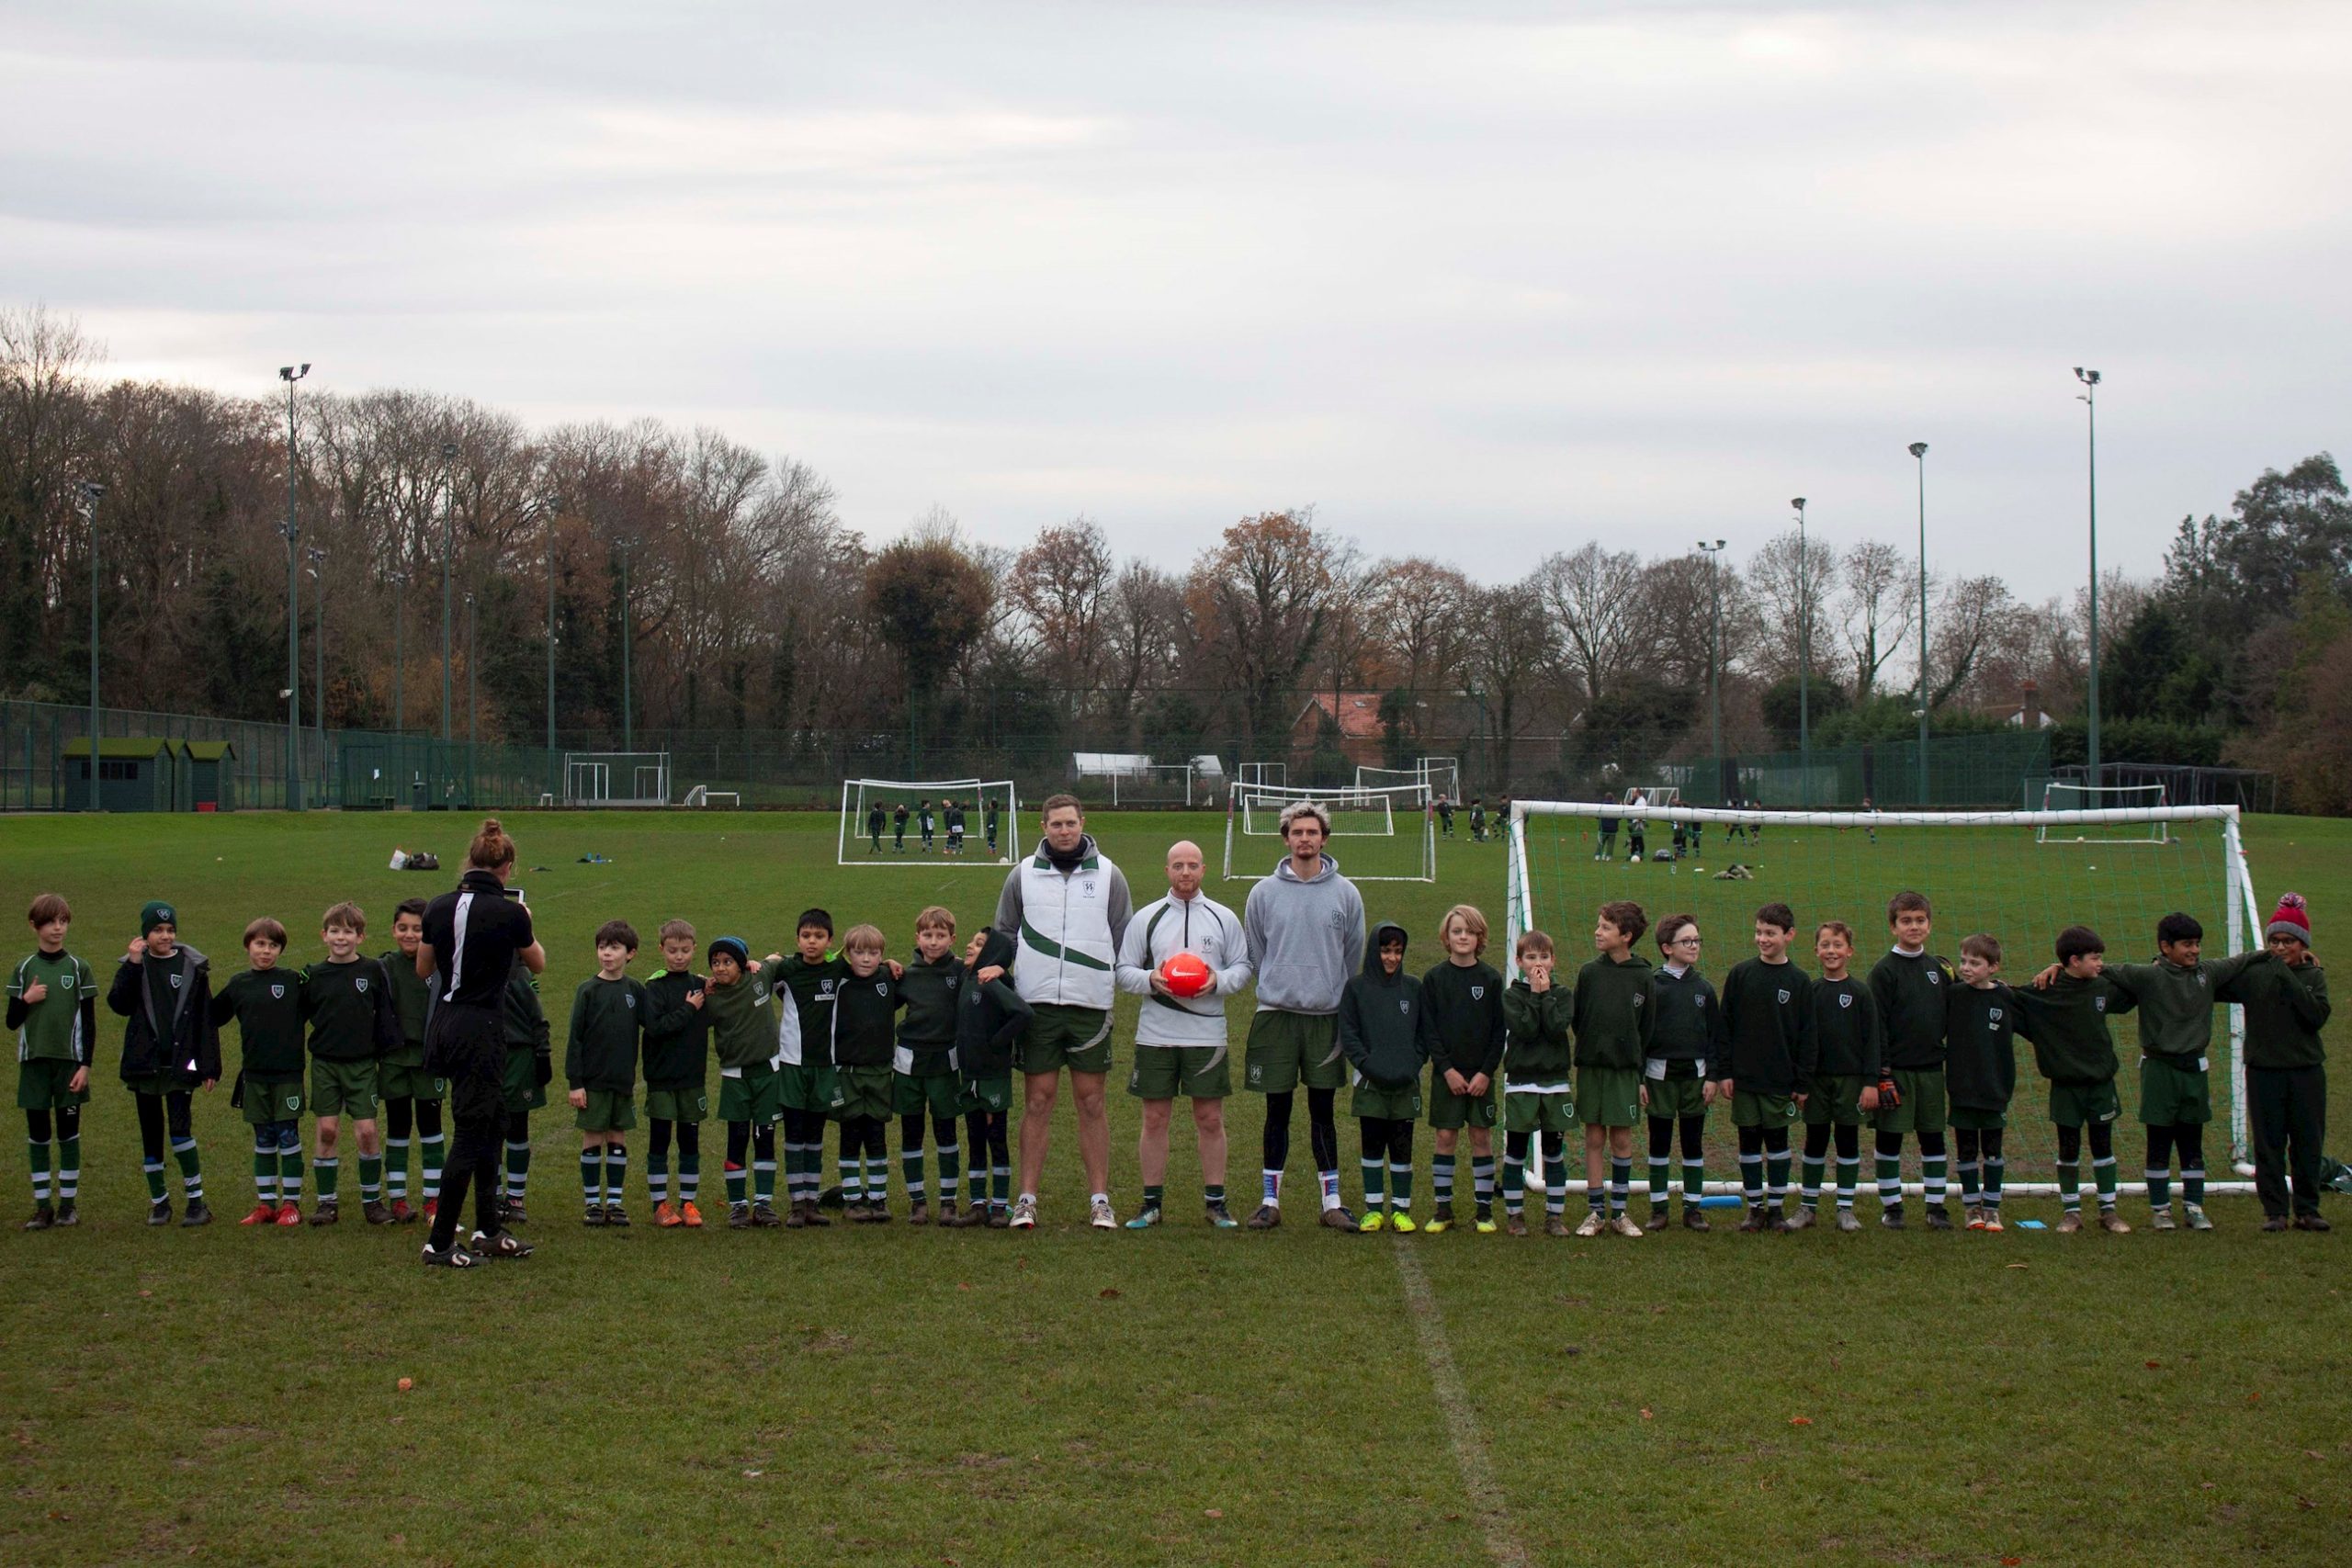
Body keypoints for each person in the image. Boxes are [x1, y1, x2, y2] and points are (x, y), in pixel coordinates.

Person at [989, 794, 1134, 1230]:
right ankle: (1027, 1199)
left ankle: (1100, 1200)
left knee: (1091, 1102)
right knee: (1038, 1101)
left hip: (1090, 1005)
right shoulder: (1022, 875)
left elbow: (1124, 935)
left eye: (1071, 823)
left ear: (1082, 823)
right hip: (1037, 1007)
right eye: (1056, 824)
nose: (1064, 831)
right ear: (1043, 826)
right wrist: (1002, 969)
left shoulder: (1109, 874)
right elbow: (1004, 932)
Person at [418, 818, 545, 1267]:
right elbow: (539, 962)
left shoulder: (437, 906)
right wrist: (523, 923)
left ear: (470, 860)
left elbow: (423, 969)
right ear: (508, 867)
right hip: (482, 1029)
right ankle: (439, 1243)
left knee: (493, 1122)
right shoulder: (511, 913)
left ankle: (488, 1229)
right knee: (472, 1133)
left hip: (446, 1023)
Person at [2091, 912, 2268, 1231]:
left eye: (2198, 944)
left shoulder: (2208, 973)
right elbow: (2099, 969)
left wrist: (2275, 952)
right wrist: (2057, 968)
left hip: (2195, 1070)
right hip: (2159, 1069)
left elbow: (2241, 961)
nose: (2195, 950)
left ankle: (2194, 1207)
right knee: (2158, 1142)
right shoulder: (2146, 976)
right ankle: (2160, 1210)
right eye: (2187, 944)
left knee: (2192, 1142)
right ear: (2165, 946)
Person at [1241, 800, 1365, 1231]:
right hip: (1277, 1015)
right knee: (1276, 1110)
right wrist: (1277, 981)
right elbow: (1255, 950)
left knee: (1322, 1111)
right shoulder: (1263, 892)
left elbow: (1353, 956)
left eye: (1313, 832)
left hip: (1325, 1019)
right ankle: (1269, 1202)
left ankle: (1331, 1201)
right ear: (1286, 838)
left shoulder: (1346, 893)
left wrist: (1330, 992)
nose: (1305, 839)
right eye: (1297, 833)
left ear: (1324, 838)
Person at [1115, 840, 1251, 1229]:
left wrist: (1218, 981)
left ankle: (1216, 1203)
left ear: (1204, 870)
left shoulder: (1224, 917)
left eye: (1193, 865)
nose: (1186, 872)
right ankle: (1151, 1205)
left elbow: (1242, 967)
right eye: (1178, 865)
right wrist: (1150, 979)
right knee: (1155, 1118)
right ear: (1167, 871)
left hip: (1207, 1033)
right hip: (1156, 1034)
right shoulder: (1147, 918)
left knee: (1209, 1118)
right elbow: (1123, 970)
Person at [2007, 926, 2135, 1234]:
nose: (2100, 963)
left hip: (2101, 1083)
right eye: (2095, 958)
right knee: (2068, 1147)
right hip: (2065, 1085)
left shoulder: (2102, 986)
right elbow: (2007, 994)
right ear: (2074, 960)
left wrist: (2058, 964)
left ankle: (2108, 1211)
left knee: (2102, 1144)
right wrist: (2053, 970)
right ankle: (2071, 1213)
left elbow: (2135, 987)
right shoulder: (2045, 990)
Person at [2221, 893, 2330, 1230]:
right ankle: (2275, 1212)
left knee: (2307, 1142)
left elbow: (2315, 1016)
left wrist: (2287, 976)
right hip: (2264, 1070)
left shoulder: (2313, 976)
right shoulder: (2255, 974)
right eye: (2275, 941)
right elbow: (2213, 981)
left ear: (2303, 944)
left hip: (2306, 1071)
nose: (2281, 947)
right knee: (2268, 1145)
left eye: (2289, 941)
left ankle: (2308, 1209)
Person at [108, 899, 219, 1227]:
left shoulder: (191, 968)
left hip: (182, 1065)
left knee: (181, 1129)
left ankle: (196, 1202)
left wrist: (210, 1065)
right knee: (151, 1132)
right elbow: (119, 1004)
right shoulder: (136, 966)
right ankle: (159, 1203)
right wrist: (131, 964)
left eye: (170, 930)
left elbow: (205, 1020)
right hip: (145, 1065)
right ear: (144, 934)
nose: (165, 936)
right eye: (157, 930)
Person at [1715, 902, 1814, 1232]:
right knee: (1748, 1141)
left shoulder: (1799, 981)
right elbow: (1724, 1027)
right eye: (1759, 932)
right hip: (1744, 1079)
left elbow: (1807, 1035)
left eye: (1770, 933)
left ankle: (1776, 1209)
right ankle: (1754, 1208)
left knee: (1777, 1142)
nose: (1762, 939)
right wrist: (1725, 1072)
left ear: (1789, 935)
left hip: (1780, 1081)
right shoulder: (1741, 974)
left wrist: (1802, 1082)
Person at [301, 901, 400, 1226]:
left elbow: (385, 1014)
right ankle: (326, 1203)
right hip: (325, 1064)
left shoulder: (372, 970)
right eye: (334, 931)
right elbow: (295, 1017)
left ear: (361, 937)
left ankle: (372, 1202)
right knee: (327, 1130)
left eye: (348, 931)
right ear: (324, 935)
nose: (340, 937)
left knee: (367, 1132)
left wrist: (388, 1052)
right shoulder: (313, 975)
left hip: (361, 1065)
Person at [210, 917, 308, 1226]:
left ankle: (291, 1204)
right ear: (248, 946)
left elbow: (324, 1005)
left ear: (280, 949)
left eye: (273, 945)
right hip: (254, 1075)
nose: (266, 951)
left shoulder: (294, 981)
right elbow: (211, 1017)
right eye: (260, 944)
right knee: (263, 1138)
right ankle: (266, 1204)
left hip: (288, 1076)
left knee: (288, 1136)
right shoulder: (239, 984)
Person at [1869, 891, 1954, 1230]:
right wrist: (1883, 1073)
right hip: (1897, 1072)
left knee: (1933, 1138)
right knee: (1890, 1140)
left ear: (1929, 925)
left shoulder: (1939, 968)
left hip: (1932, 1070)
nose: (1914, 926)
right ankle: (1892, 1207)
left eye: (1920, 920)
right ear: (1893, 927)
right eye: (1906, 921)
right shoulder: (1884, 971)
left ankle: (1936, 1207)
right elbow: (1878, 1027)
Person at [1340, 920, 1431, 1232]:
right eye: (1385, 951)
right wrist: (1368, 1065)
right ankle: (1374, 1209)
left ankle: (1401, 1210)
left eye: (1397, 951)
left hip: (1406, 1083)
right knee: (1372, 1144)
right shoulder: (1356, 988)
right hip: (1370, 1083)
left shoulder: (1414, 988)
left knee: (1402, 1146)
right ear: (1373, 951)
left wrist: (1413, 1064)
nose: (1392, 958)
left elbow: (1424, 1034)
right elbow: (1349, 1034)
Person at [12, 893, 96, 1231]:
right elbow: (11, 1021)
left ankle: (68, 1206)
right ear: (35, 926)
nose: (57, 928)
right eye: (50, 922)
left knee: (68, 1134)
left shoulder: (78, 968)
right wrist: (26, 999)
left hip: (69, 1064)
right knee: (39, 1134)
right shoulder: (24, 968)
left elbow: (89, 1023)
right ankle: (43, 1206)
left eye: (63, 921)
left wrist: (85, 1065)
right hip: (34, 1064)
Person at [1424, 905, 1506, 1235]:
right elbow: (1429, 1030)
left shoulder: (1490, 979)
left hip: (1481, 1077)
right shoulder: (1434, 978)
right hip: (1448, 1076)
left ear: (1479, 937)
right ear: (1447, 936)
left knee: (1480, 1136)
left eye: (1469, 932)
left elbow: (1499, 1032)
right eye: (1457, 931)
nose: (1463, 937)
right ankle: (1443, 1209)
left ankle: (1484, 1211)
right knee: (1445, 1136)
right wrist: (1447, 1070)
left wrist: (1486, 1072)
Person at [1794, 921, 1880, 1232]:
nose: (1832, 951)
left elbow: (1872, 1041)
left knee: (1847, 1141)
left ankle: (1846, 1208)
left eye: (1838, 945)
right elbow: (1802, 1039)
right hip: (1817, 1081)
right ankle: (1808, 1207)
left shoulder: (1860, 992)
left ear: (1850, 951)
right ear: (1816, 951)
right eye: (1826, 945)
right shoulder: (1810, 991)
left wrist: (1870, 1082)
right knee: (1814, 1141)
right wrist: (1801, 1083)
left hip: (1851, 1081)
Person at [764, 909, 844, 1226]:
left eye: (819, 936)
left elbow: (868, 963)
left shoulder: (839, 969)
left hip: (825, 1066)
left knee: (815, 1134)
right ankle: (797, 1203)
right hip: (792, 1065)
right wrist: (762, 962)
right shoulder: (786, 969)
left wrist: (891, 965)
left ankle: (812, 1201)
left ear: (829, 941)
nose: (812, 942)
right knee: (794, 1133)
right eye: (806, 936)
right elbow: (755, 984)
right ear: (797, 939)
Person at [566, 919, 650, 1227]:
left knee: (617, 1136)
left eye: (614, 948)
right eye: (602, 947)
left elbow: (652, 1024)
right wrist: (576, 1083)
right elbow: (574, 1038)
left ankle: (614, 1202)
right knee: (592, 1137)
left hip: (623, 1081)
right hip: (593, 1081)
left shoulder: (635, 990)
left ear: (631, 954)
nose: (607, 954)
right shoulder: (587, 991)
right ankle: (592, 1203)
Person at [1643, 913, 1721, 1230]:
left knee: (1693, 1142)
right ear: (1666, 947)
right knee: (1659, 1142)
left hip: (1696, 1079)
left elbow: (1715, 1037)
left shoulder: (1704, 988)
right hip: (1658, 1077)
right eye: (1686, 941)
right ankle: (1659, 1208)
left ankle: (1693, 1208)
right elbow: (1641, 1035)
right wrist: (1639, 1078)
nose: (1693, 946)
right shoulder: (1652, 985)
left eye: (1696, 940)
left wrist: (1713, 1076)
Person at [1944, 932, 2024, 1231]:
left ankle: (1992, 1208)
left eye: (1975, 963)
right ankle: (1971, 1208)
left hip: (1995, 1088)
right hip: (1962, 1087)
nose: (1966, 968)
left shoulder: (2005, 997)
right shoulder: (1954, 996)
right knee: (1966, 1150)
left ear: (1994, 967)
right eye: (1964, 961)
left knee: (1992, 1151)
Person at [1500, 930, 1577, 1237]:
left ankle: (1554, 1217)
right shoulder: (1511, 995)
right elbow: (1527, 1030)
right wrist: (1534, 994)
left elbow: (1557, 1026)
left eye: (1544, 957)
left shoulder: (1563, 994)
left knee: (1554, 1151)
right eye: (1531, 957)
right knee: (1516, 1150)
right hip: (1522, 1083)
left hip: (1555, 1084)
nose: (1538, 963)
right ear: (1519, 962)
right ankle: (1515, 1215)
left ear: (1553, 960)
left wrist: (1545, 994)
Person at [706, 935, 786, 1228]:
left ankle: (763, 1203)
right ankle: (738, 1205)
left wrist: (763, 959)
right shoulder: (711, 995)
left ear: (741, 964)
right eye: (716, 963)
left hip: (767, 1074)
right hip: (734, 1077)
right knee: (737, 1139)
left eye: (728, 962)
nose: (721, 968)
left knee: (765, 1138)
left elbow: (777, 959)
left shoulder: (758, 976)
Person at [955, 928, 1030, 1226]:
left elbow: (1022, 1014)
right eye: (971, 941)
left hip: (992, 1076)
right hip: (969, 1075)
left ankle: (999, 1206)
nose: (970, 946)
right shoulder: (967, 978)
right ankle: (977, 1204)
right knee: (974, 1138)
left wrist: (996, 1043)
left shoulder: (993, 982)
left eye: (979, 944)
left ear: (993, 953)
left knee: (996, 1138)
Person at [894, 908, 964, 1225]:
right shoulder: (904, 974)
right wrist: (885, 967)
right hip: (908, 1063)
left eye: (940, 936)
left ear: (952, 938)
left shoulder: (961, 971)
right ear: (917, 937)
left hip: (944, 1063)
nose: (933, 942)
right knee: (912, 1132)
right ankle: (917, 1200)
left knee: (946, 1131)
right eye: (927, 935)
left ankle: (948, 1201)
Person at [639, 919, 709, 1228]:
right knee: (660, 1140)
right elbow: (655, 1027)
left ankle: (688, 1202)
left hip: (692, 1077)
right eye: (672, 951)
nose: (678, 956)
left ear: (694, 948)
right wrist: (688, 1009)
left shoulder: (701, 984)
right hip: (662, 1078)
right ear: (661, 950)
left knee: (689, 1141)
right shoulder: (654, 987)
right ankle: (660, 1204)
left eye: (684, 950)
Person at [831, 924, 903, 1221]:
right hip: (846, 1073)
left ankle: (878, 1199)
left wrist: (890, 964)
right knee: (850, 1135)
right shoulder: (839, 978)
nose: (865, 959)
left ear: (882, 955)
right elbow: (822, 959)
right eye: (858, 952)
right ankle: (851, 1200)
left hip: (879, 1072)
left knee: (876, 1134)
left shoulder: (889, 978)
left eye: (874, 953)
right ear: (848, 954)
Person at [378, 897, 441, 1224]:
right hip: (395, 1060)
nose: (410, 934)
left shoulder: (441, 963)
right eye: (403, 928)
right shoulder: (384, 966)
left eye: (418, 928)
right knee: (398, 1128)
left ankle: (433, 1199)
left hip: (430, 1059)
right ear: (393, 930)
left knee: (431, 1128)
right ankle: (398, 1198)